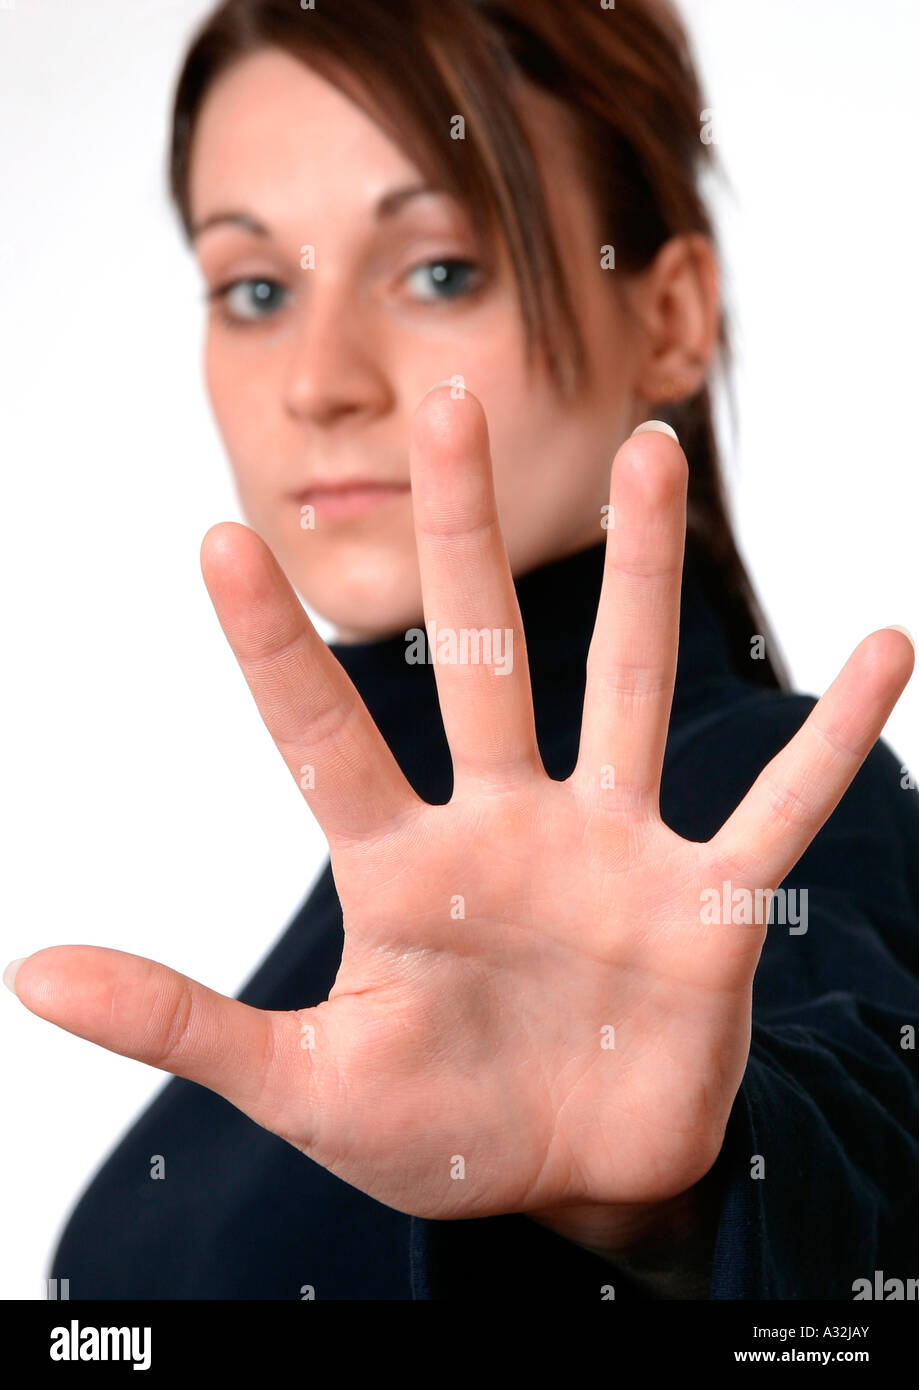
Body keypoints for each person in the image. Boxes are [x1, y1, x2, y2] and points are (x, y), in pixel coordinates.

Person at [6, 0, 918, 1300]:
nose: (320, 379)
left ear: (669, 315)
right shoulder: (387, 870)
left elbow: (879, 1156)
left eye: (437, 268)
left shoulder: (763, 801)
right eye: (256, 289)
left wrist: (674, 1205)